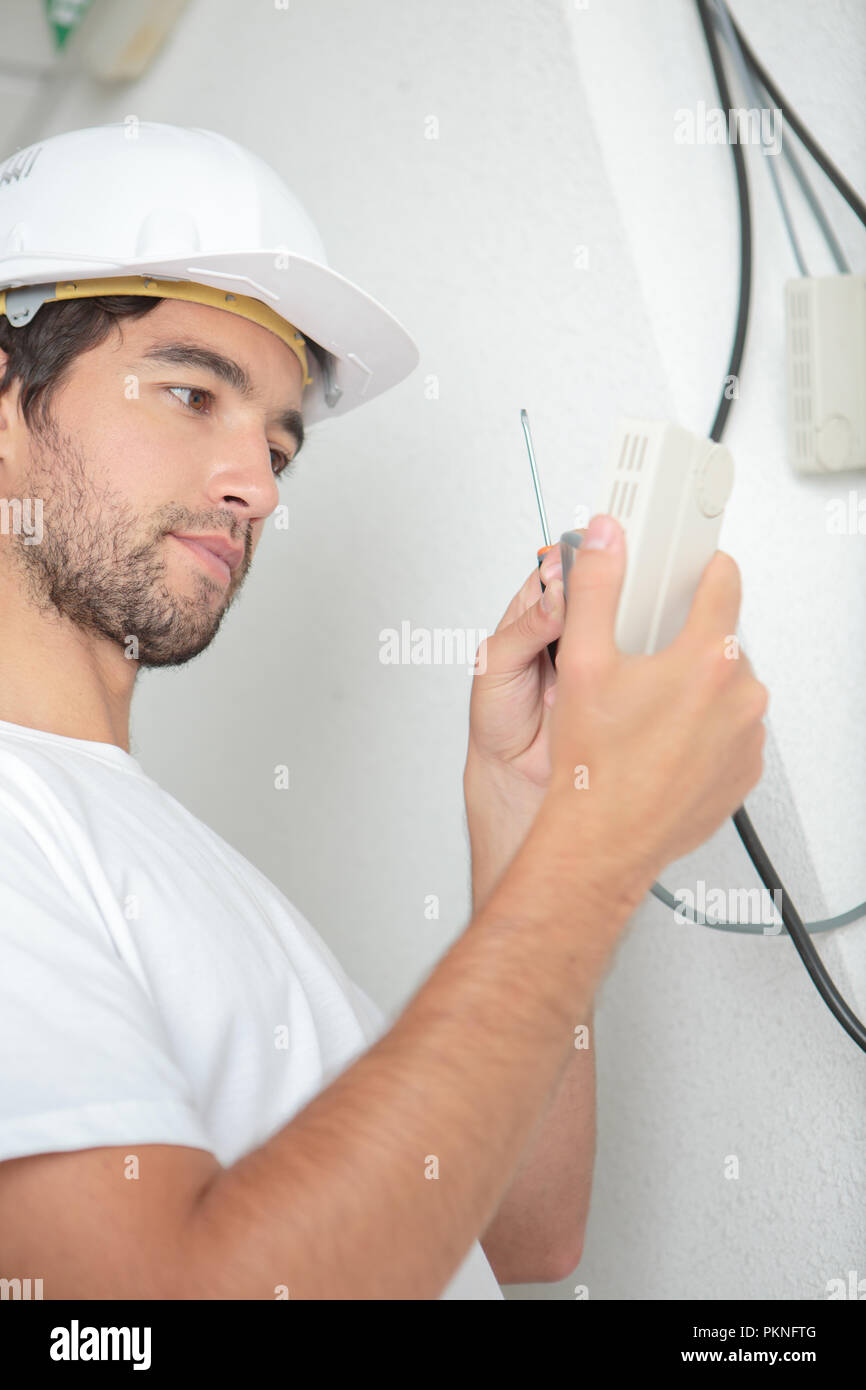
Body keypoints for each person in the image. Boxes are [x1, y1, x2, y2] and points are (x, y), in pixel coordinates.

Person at [0, 123, 767, 1300]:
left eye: (277, 444)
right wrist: (599, 849)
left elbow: (516, 1236)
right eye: (192, 391)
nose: (255, 484)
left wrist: (529, 809)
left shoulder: (158, 856)